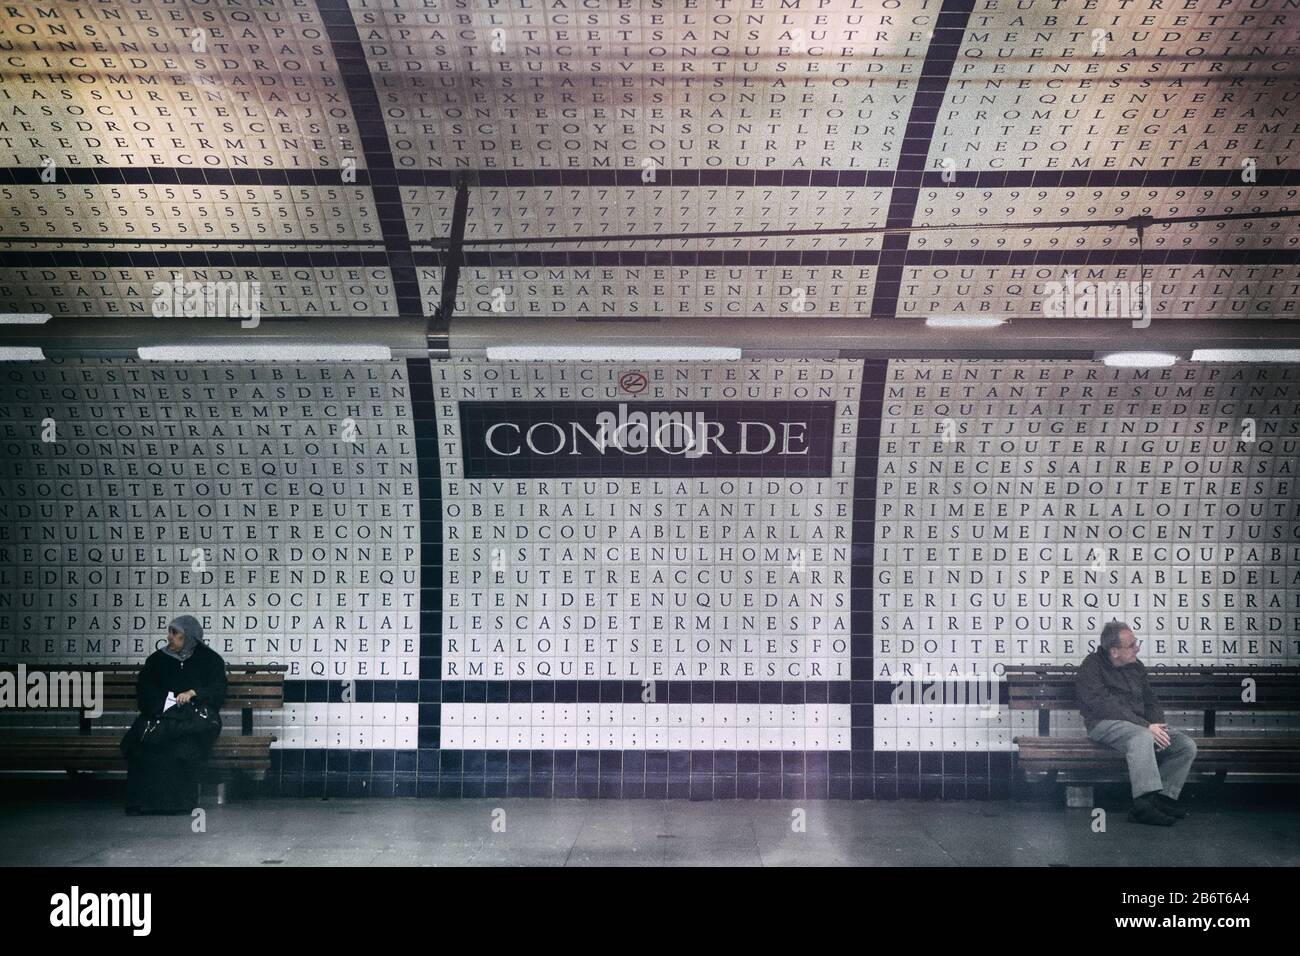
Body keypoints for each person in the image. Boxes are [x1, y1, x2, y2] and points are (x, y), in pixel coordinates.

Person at [1076, 621, 1197, 826]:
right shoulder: (1091, 667)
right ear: (1114, 651)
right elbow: (1105, 705)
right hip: (1104, 724)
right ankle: (1142, 807)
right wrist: (1146, 726)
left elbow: (1151, 701)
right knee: (1142, 736)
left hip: (1140, 726)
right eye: (1132, 645)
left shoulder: (1135, 666)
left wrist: (1159, 726)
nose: (1137, 648)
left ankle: (1161, 799)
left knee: (1185, 746)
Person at [121, 615, 227, 815]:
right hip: (160, 717)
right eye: (169, 632)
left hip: (193, 719)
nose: (169, 637)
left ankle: (178, 803)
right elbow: (145, 691)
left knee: (183, 744)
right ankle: (143, 803)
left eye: (175, 633)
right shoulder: (157, 660)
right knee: (145, 745)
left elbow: (218, 690)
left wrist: (193, 693)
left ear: (189, 637)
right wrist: (165, 707)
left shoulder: (209, 660)